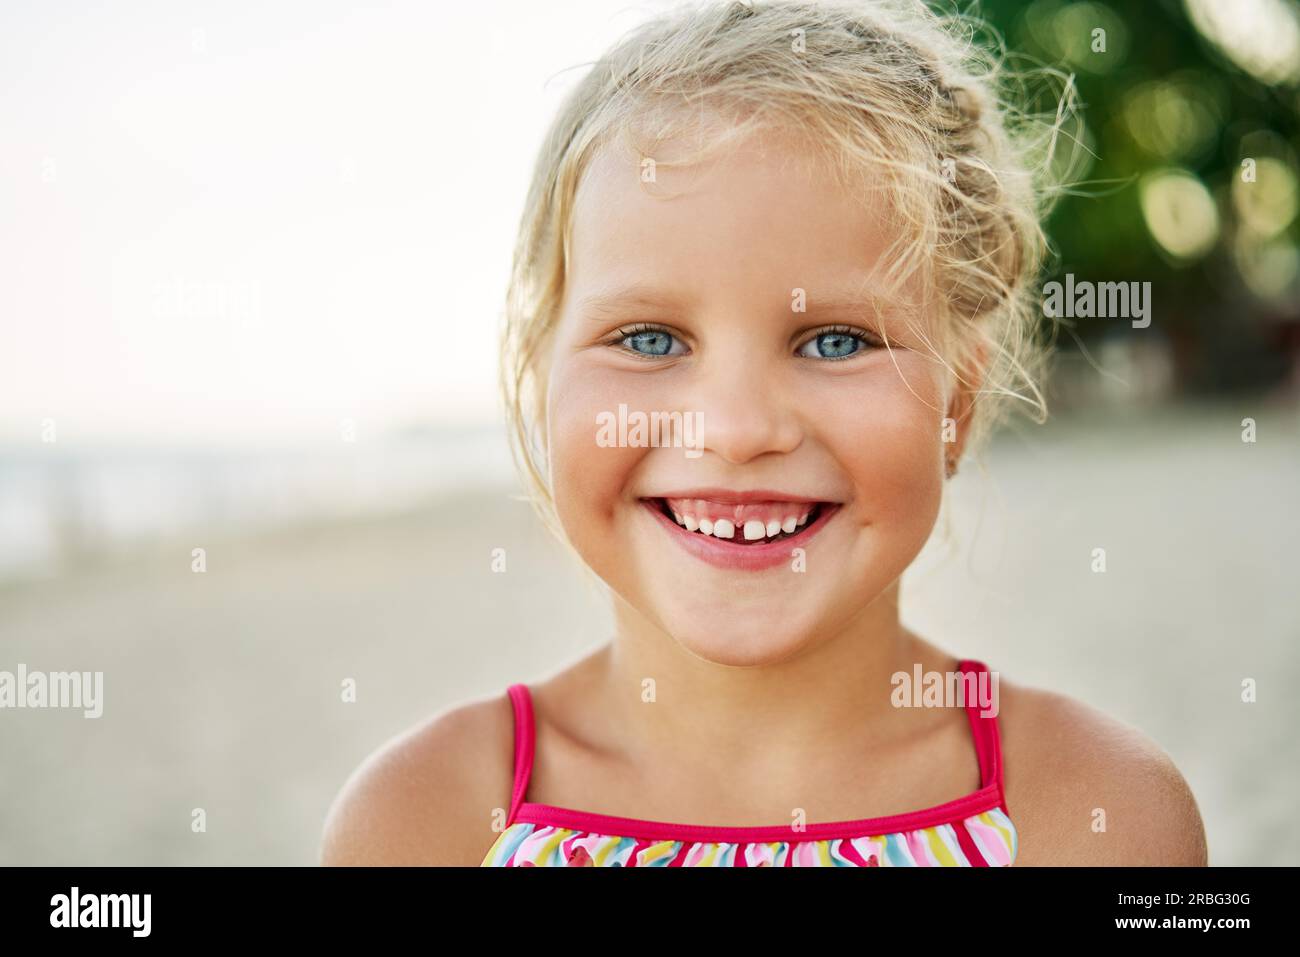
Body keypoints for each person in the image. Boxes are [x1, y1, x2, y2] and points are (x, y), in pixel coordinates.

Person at [322, 0, 1208, 867]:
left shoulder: (1093, 808)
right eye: (647, 339)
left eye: (835, 340)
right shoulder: (422, 821)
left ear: (959, 401)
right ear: (537, 369)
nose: (737, 430)